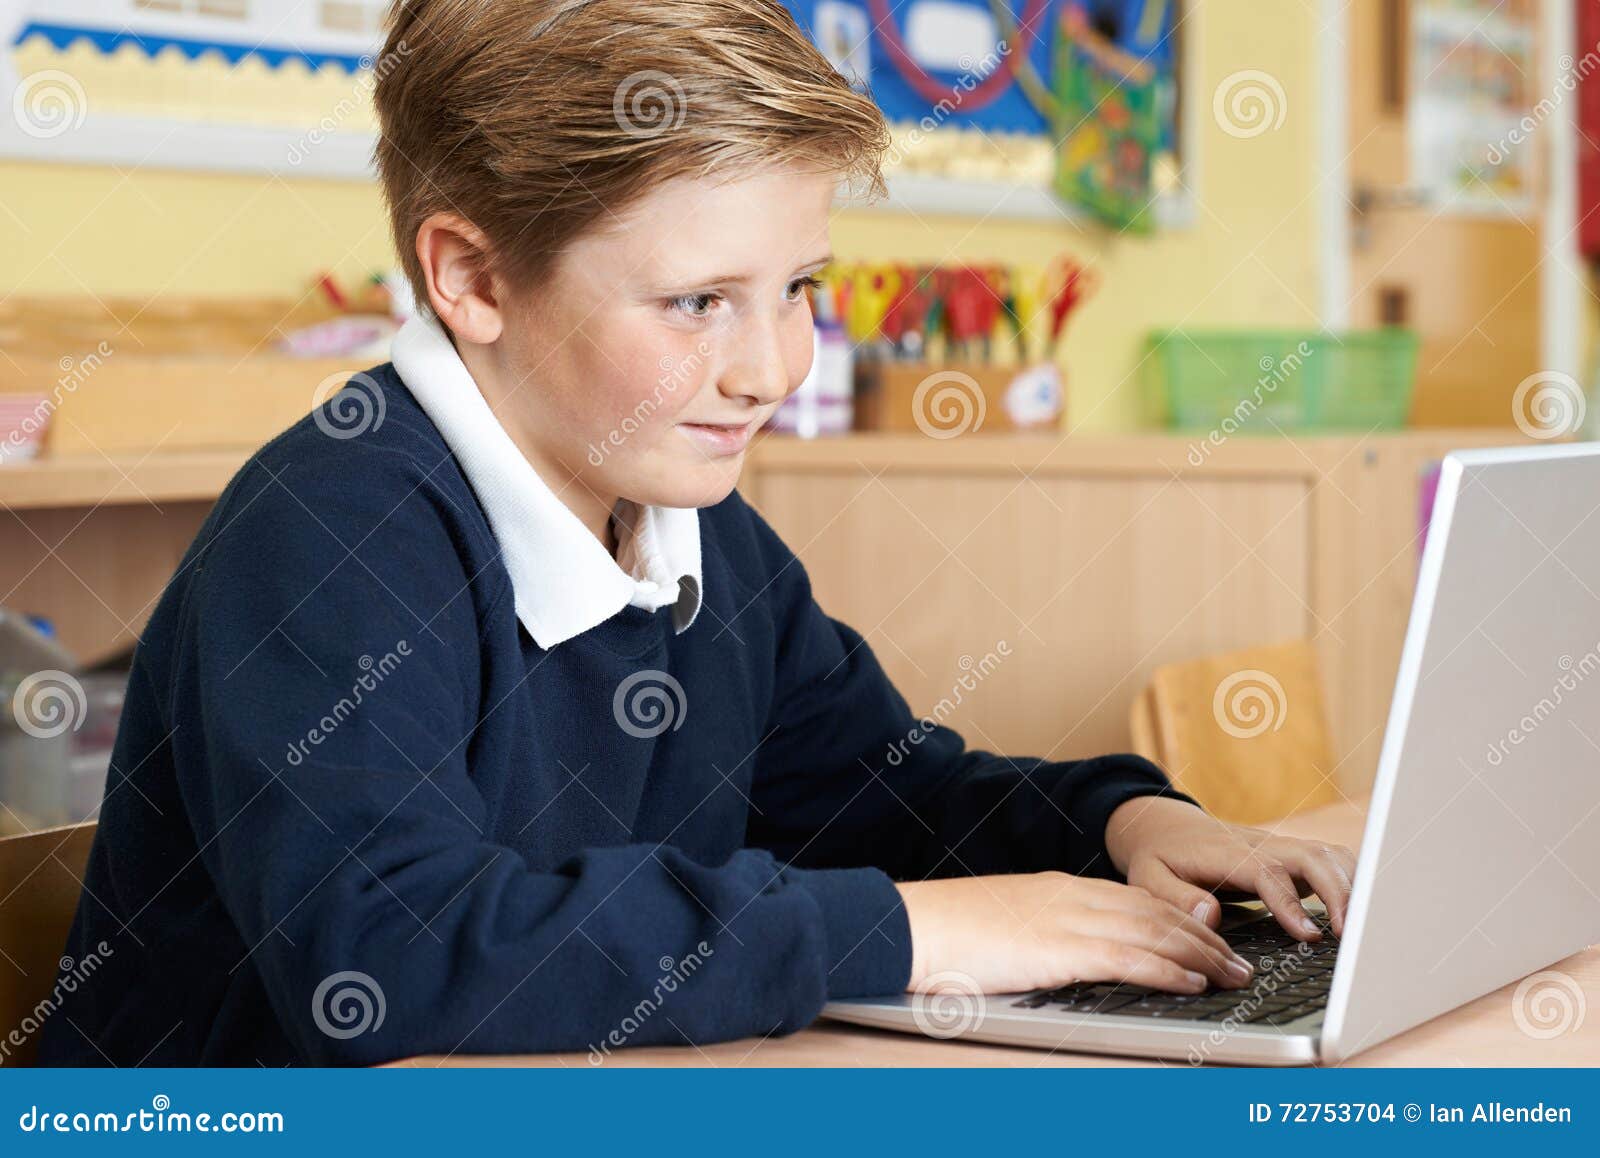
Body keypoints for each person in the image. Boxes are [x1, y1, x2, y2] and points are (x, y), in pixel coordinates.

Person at [40, 0, 1355, 1066]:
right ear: (473, 277)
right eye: (697, 302)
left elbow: (880, 798)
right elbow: (390, 955)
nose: (773, 365)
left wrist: (1119, 820)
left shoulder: (683, 529)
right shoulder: (330, 530)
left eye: (798, 289)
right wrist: (899, 935)